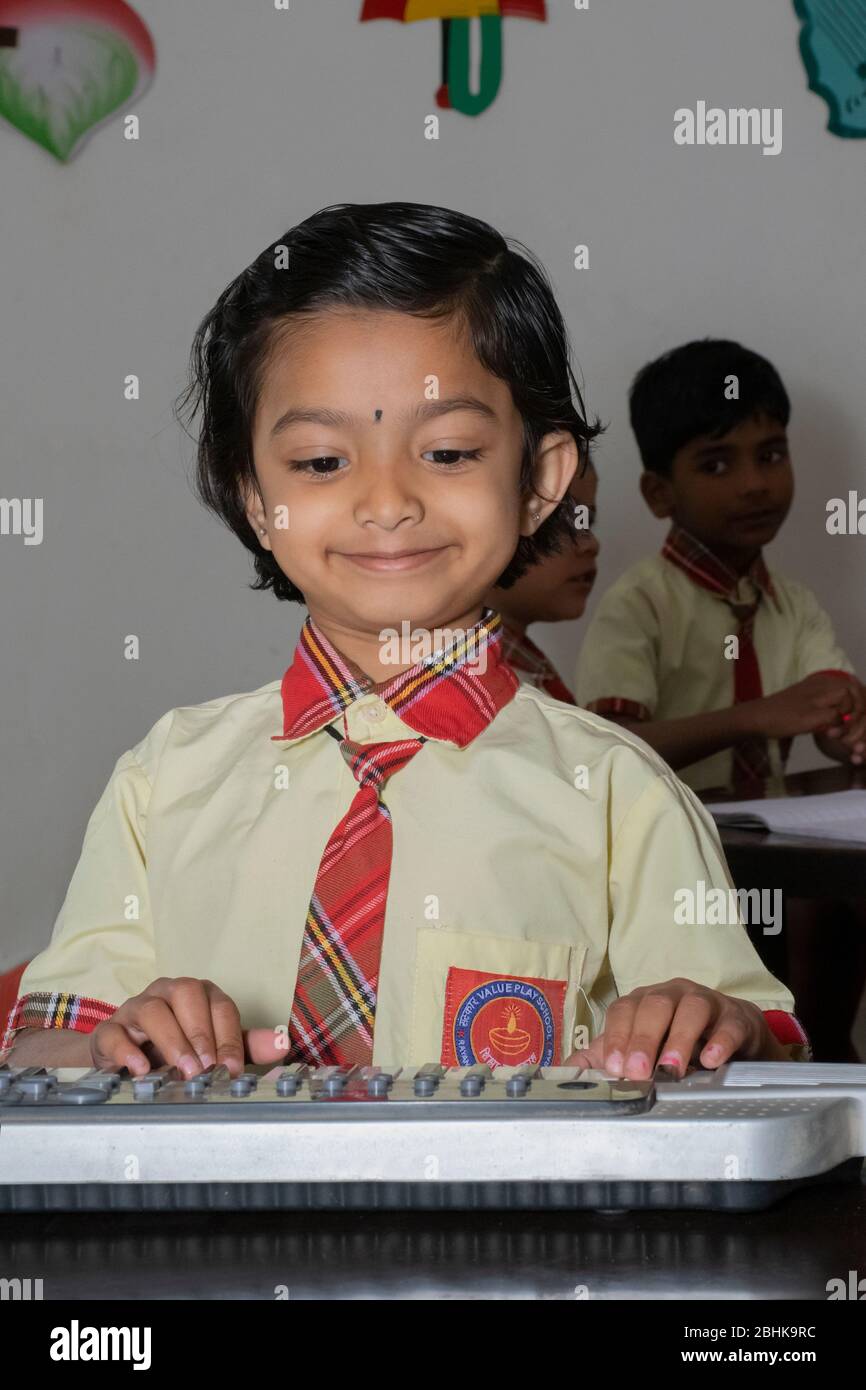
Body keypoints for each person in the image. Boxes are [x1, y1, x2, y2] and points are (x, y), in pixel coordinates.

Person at [2, 209, 808, 1083]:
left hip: (520, 1225)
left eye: (449, 451)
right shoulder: (163, 782)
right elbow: (38, 1053)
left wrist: (714, 1025)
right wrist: (109, 1045)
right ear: (251, 499)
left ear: (541, 481)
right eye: (320, 463)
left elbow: (755, 1054)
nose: (386, 501)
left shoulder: (620, 796)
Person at [575, 339, 866, 1058]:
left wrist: (844, 729)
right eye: (716, 464)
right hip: (676, 870)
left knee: (833, 949)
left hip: (780, 860)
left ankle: (825, 1056)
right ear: (658, 493)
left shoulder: (792, 606)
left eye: (771, 454)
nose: (755, 485)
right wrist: (755, 718)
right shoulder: (639, 606)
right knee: (722, 1017)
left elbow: (829, 708)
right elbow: (610, 749)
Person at [486, 461, 598, 703]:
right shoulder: (479, 689)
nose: (592, 545)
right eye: (559, 522)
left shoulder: (526, 666)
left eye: (587, 523)